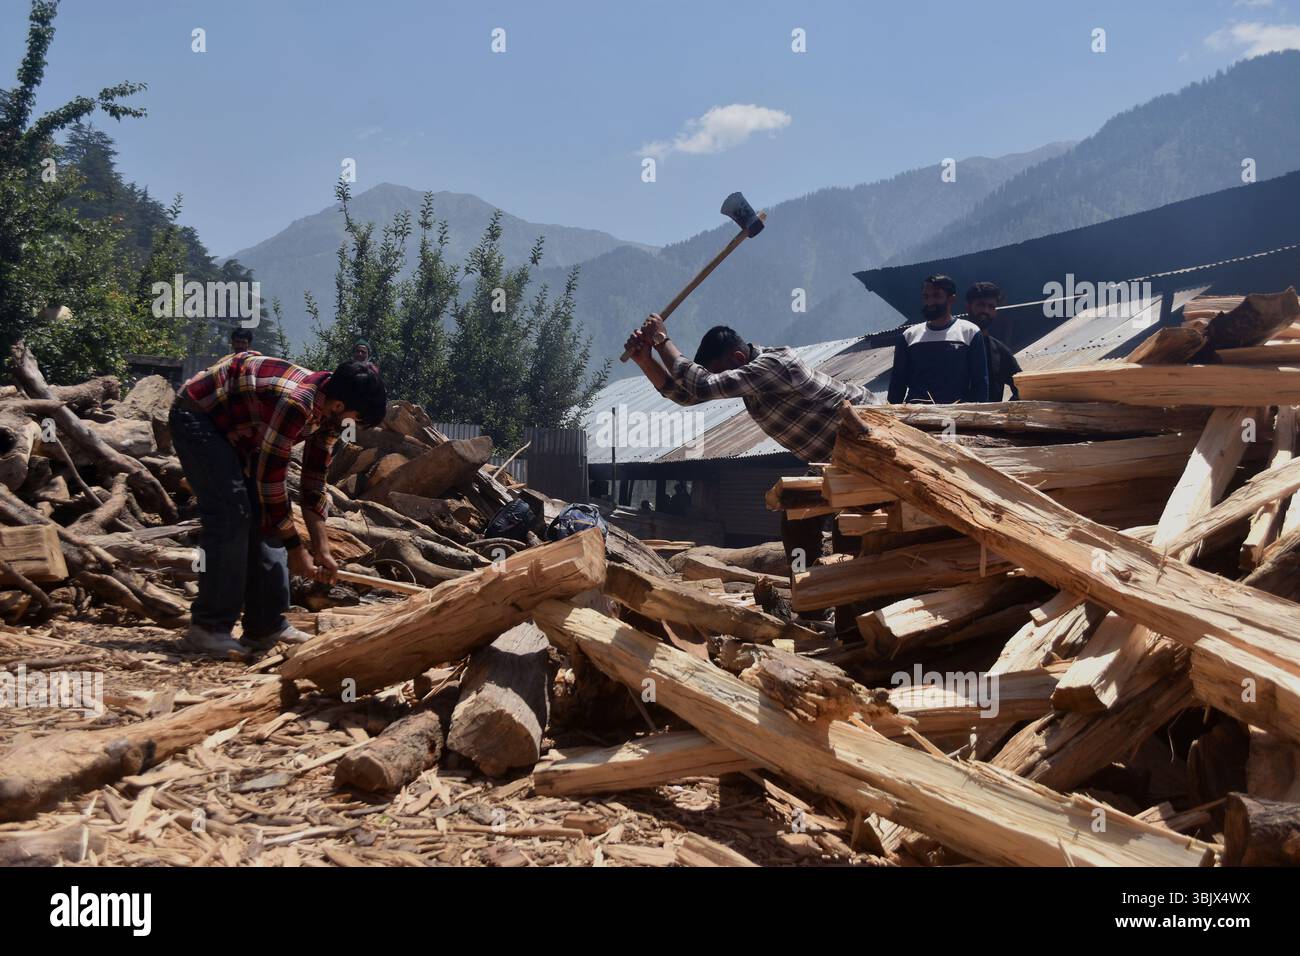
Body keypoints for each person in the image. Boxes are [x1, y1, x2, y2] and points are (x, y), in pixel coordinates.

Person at [624, 315, 868, 591]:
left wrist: (661, 340)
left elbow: (701, 385)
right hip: (834, 459)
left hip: (866, 444)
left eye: (717, 371)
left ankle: (852, 614)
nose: (717, 379)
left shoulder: (774, 365)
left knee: (849, 527)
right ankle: (811, 599)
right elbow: (687, 395)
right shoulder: (748, 378)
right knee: (796, 519)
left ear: (738, 358)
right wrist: (645, 359)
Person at [168, 354, 387, 658]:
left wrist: (322, 549)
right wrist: (296, 550)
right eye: (358, 419)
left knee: (265, 517)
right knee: (233, 516)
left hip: (244, 429)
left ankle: (266, 626)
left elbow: (313, 481)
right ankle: (208, 629)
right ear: (339, 407)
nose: (357, 427)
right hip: (200, 416)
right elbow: (269, 483)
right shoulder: (297, 405)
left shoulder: (331, 411)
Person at [887, 275, 988, 404]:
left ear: (951, 299)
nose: (930, 302)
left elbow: (980, 383)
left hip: (957, 417)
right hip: (915, 417)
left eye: (936, 296)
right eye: (926, 296)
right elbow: (897, 385)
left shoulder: (969, 333)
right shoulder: (909, 336)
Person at [965, 280, 1022, 401]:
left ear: (995, 312)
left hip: (988, 418)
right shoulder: (954, 344)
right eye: (981, 304)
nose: (985, 311)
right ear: (969, 307)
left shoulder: (1000, 351)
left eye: (991, 307)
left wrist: (1005, 412)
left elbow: (1021, 387)